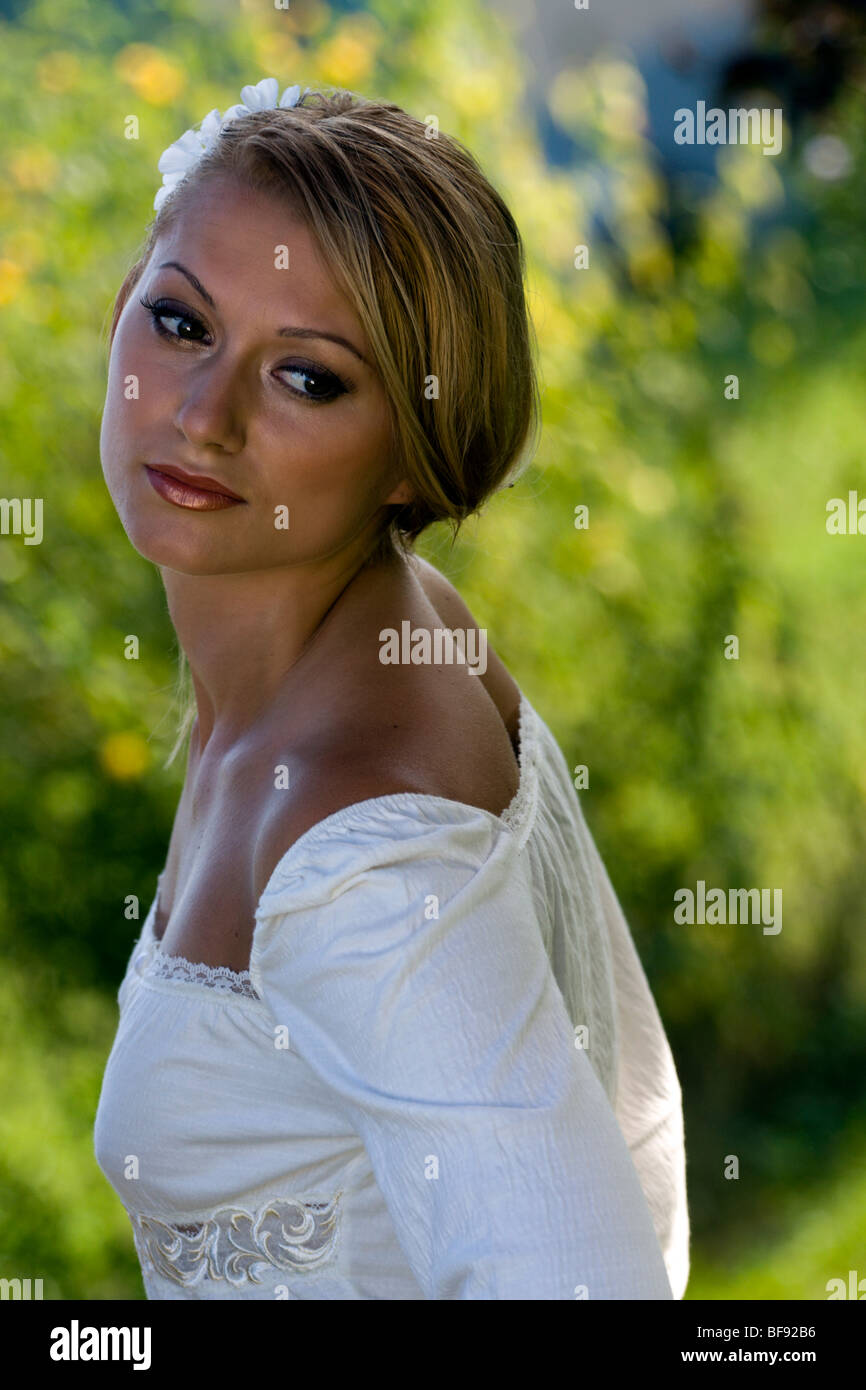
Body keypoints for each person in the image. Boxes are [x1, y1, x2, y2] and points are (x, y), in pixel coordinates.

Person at [93, 81, 689, 1300]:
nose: (204, 418)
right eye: (181, 321)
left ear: (414, 453)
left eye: (308, 378)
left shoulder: (362, 849)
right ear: (122, 305)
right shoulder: (397, 634)